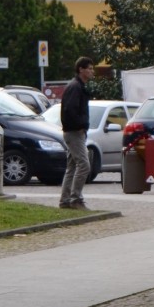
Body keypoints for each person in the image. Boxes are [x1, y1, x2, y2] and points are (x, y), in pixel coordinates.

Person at [59, 56, 95, 210]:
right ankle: (76, 199)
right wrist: (80, 125)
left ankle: (65, 200)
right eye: (89, 69)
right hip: (74, 132)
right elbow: (69, 110)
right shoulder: (76, 87)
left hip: (74, 131)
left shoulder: (78, 86)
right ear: (81, 69)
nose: (92, 72)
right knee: (84, 164)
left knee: (72, 167)